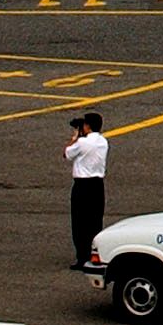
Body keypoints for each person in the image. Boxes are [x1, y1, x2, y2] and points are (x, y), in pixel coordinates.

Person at [63, 113, 108, 270]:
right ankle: (95, 253)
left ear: (87, 126)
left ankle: (82, 256)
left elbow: (67, 153)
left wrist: (75, 136)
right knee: (95, 221)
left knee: (80, 222)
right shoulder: (103, 141)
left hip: (82, 185)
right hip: (97, 185)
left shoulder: (82, 142)